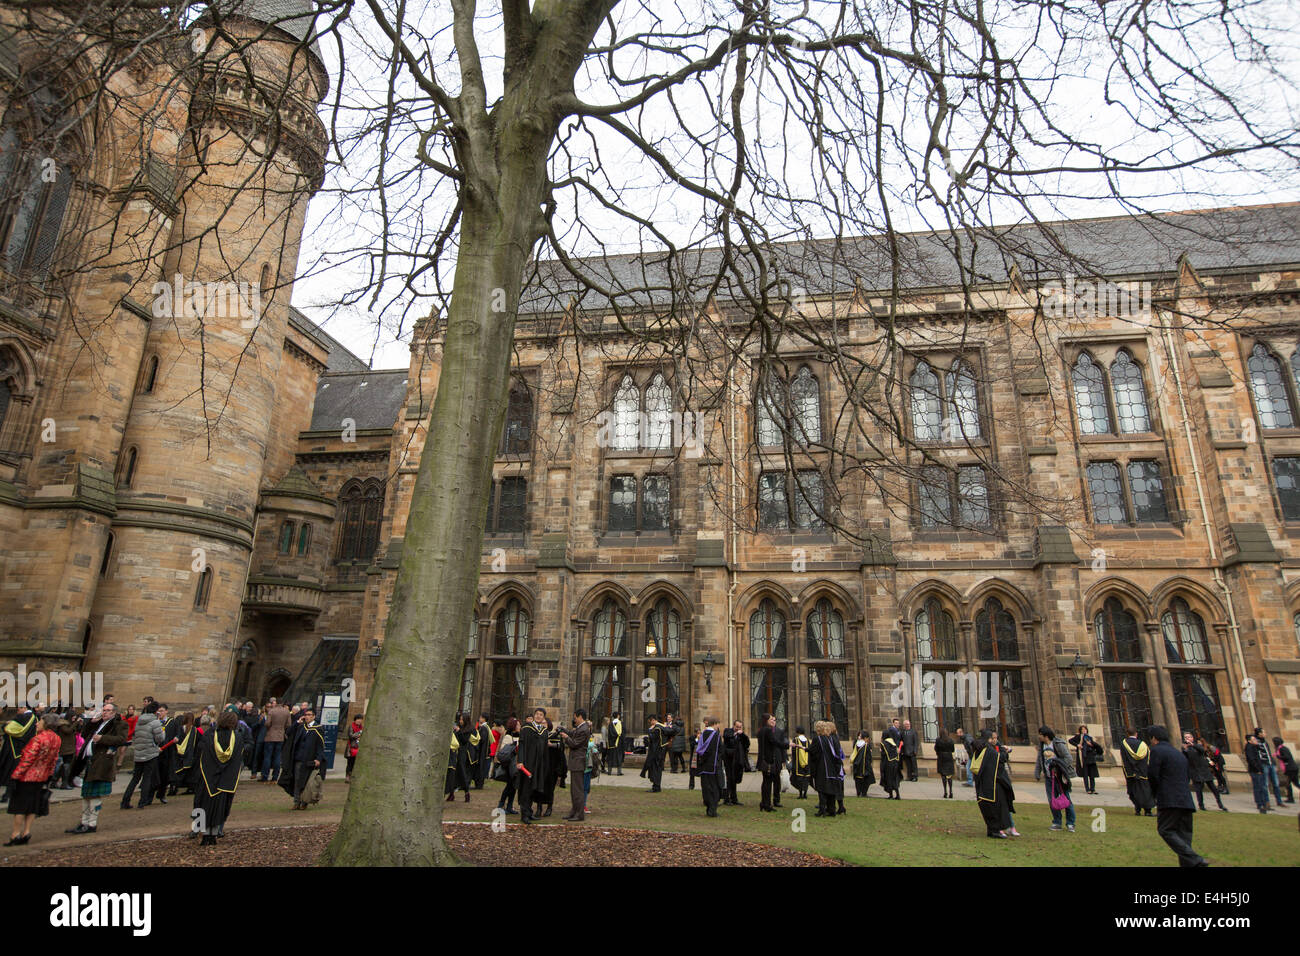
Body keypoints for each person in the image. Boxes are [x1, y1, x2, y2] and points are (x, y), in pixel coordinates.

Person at [1146, 724, 1207, 867]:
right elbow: (1186, 776)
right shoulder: (1178, 753)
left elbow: (1153, 775)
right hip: (1185, 799)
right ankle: (1191, 863)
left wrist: (1155, 795)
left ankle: (1196, 859)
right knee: (1184, 837)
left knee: (1165, 830)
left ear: (1154, 739)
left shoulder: (1156, 751)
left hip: (1169, 800)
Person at [66, 701, 127, 835]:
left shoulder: (119, 724)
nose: (104, 712)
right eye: (103, 710)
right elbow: (83, 734)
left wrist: (102, 738)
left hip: (102, 762)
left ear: (114, 712)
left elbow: (122, 739)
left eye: (108, 710)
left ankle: (91, 824)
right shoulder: (98, 723)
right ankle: (84, 822)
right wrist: (92, 722)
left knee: (94, 795)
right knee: (86, 794)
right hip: (89, 761)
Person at [5, 713, 61, 846]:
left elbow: (27, 760)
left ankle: (15, 834)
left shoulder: (38, 739)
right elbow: (54, 760)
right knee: (32, 806)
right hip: (42, 776)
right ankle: (27, 832)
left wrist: (15, 775)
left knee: (19, 807)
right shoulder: (57, 739)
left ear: (46, 723)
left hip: (27, 777)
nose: (37, 723)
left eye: (39, 721)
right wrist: (49, 775)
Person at [194, 708, 246, 846]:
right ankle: (214, 834)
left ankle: (203, 834)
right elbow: (238, 758)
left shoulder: (210, 735)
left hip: (209, 777)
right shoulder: (238, 738)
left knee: (204, 805)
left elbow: (201, 752)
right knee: (220, 807)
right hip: (226, 780)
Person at [121, 701, 166, 809]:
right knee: (147, 778)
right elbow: (160, 738)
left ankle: (125, 801)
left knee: (135, 778)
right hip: (150, 753)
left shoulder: (139, 720)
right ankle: (142, 802)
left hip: (139, 753)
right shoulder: (155, 722)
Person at [280, 707, 325, 810]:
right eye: (306, 715)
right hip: (298, 759)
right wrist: (297, 722)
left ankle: (304, 802)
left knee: (306, 782)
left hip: (309, 760)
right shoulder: (301, 727)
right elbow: (288, 732)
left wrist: (318, 758)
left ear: (314, 716)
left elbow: (320, 745)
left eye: (309, 715)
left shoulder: (318, 729)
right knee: (297, 781)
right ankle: (296, 801)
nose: (307, 717)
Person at [972, 731, 1015, 838]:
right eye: (991, 738)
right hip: (992, 785)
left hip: (982, 785)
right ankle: (995, 830)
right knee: (995, 808)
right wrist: (1005, 751)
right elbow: (1001, 759)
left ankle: (991, 830)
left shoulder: (979, 749)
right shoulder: (988, 750)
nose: (993, 741)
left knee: (988, 808)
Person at [1034, 726, 1076, 832]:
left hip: (1060, 777)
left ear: (1046, 735)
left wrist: (1058, 767)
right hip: (1049, 777)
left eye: (1040, 734)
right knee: (1052, 800)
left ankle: (1070, 823)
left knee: (1066, 799)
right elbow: (1040, 760)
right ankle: (1057, 822)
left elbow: (1069, 758)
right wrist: (1037, 773)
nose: (1038, 736)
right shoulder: (1042, 745)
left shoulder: (1058, 744)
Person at [0, 703, 38, 802]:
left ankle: (7, 795)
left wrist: (6, 724)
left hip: (13, 749)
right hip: (26, 749)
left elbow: (7, 729)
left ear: (24, 708)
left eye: (19, 709)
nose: (17, 711)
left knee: (10, 772)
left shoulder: (22, 717)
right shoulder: (35, 718)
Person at [558, 709, 592, 821]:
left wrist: (566, 737)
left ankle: (579, 814)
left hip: (578, 761)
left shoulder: (584, 729)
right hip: (575, 762)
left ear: (580, 717)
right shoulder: (581, 728)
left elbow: (574, 744)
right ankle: (574, 811)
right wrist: (564, 730)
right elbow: (573, 733)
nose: (574, 719)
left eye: (575, 717)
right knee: (574, 789)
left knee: (578, 789)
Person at [516, 709, 548, 823]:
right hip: (527, 763)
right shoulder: (526, 729)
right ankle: (524, 814)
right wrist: (520, 761)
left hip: (538, 765)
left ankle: (529, 812)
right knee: (526, 789)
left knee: (533, 789)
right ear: (534, 716)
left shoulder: (544, 731)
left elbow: (545, 750)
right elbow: (522, 745)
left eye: (541, 715)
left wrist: (544, 766)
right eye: (537, 714)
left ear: (543, 717)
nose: (539, 716)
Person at [1182, 732, 1226, 812]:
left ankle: (1220, 804)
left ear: (1192, 738)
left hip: (1204, 770)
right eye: (1186, 737)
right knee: (1198, 790)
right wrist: (1185, 749)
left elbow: (1202, 751)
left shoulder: (1197, 746)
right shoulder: (1186, 749)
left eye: (1189, 737)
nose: (1188, 739)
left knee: (1213, 788)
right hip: (1195, 771)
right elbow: (1184, 758)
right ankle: (1201, 806)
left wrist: (1192, 745)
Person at [811, 721, 847, 817]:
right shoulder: (829, 739)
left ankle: (823, 809)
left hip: (824, 767)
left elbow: (814, 752)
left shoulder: (820, 739)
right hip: (832, 767)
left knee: (822, 788)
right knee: (831, 789)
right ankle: (832, 810)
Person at [1119, 729, 1155, 816]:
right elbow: (1146, 758)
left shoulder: (1124, 744)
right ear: (1136, 734)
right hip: (1142, 772)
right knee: (1144, 791)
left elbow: (1124, 758)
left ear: (1127, 733)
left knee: (1133, 790)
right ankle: (1147, 811)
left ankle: (1137, 810)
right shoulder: (1143, 744)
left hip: (1130, 772)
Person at [695, 717, 723, 816]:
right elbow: (720, 750)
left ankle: (708, 808)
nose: (718, 726)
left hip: (703, 766)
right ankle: (712, 810)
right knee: (714, 788)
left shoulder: (702, 735)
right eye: (718, 724)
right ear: (714, 723)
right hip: (713, 766)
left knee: (706, 787)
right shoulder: (716, 735)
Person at [756, 713, 785, 811]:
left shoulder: (761, 731)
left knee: (765, 782)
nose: (773, 721)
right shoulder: (768, 730)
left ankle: (764, 803)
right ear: (766, 721)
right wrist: (788, 744)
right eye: (771, 719)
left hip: (763, 759)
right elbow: (775, 742)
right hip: (768, 760)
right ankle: (766, 804)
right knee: (768, 783)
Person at [1252, 726, 1286, 807]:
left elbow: (1268, 753)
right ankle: (1266, 801)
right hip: (1264, 765)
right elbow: (1257, 755)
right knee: (1265, 784)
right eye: (1263, 732)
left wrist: (1273, 763)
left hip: (1271, 764)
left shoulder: (1265, 742)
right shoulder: (1257, 743)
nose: (1265, 734)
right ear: (1259, 734)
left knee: (1276, 783)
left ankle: (1279, 801)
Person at [260, 698, 291, 782]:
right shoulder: (286, 712)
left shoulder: (272, 711)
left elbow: (267, 723)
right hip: (280, 736)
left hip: (270, 735)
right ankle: (275, 776)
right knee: (277, 756)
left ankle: (265, 776)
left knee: (267, 756)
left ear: (276, 703)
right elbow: (288, 724)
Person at [170, 713, 201, 794]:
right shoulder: (195, 730)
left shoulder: (181, 729)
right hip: (190, 754)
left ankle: (174, 788)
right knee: (190, 772)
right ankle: (190, 788)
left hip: (179, 753)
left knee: (178, 772)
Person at [1068, 725, 1102, 795]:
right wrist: (1078, 745)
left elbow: (1095, 746)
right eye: (1082, 730)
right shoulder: (1078, 737)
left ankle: (1093, 789)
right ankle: (1087, 789)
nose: (1084, 731)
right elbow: (1070, 740)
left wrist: (1091, 745)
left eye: (1085, 729)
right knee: (1085, 774)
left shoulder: (1089, 738)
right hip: (1083, 758)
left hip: (1091, 757)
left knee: (1092, 775)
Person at [495, 717, 520, 814]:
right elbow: (504, 751)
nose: (519, 726)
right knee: (509, 786)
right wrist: (514, 748)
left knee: (513, 786)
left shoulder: (520, 735)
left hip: (515, 764)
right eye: (517, 725)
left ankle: (509, 806)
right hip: (509, 765)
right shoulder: (508, 736)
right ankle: (501, 805)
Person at [644, 715, 675, 793]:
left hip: (657, 751)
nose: (650, 724)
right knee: (657, 769)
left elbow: (653, 739)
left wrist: (649, 731)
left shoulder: (657, 728)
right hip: (661, 750)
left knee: (656, 768)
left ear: (653, 720)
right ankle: (656, 786)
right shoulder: (663, 727)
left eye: (650, 722)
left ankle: (656, 787)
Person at [722, 720, 749, 805]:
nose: (738, 729)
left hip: (737, 759)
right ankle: (726, 799)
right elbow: (726, 736)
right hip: (729, 759)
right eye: (737, 727)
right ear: (734, 726)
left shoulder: (741, 735)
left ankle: (734, 798)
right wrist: (735, 734)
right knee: (729, 778)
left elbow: (747, 743)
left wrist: (743, 735)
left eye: (740, 727)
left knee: (735, 778)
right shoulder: (728, 731)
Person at [1244, 733, 1271, 813]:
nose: (1256, 741)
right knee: (1258, 787)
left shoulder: (1254, 747)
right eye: (1254, 740)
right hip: (1255, 771)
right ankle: (1260, 804)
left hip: (1258, 769)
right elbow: (1251, 760)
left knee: (1261, 787)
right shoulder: (1249, 748)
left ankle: (1263, 803)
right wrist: (1258, 769)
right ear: (1249, 741)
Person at [1273, 737, 1297, 803]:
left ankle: (1290, 798)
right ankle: (1290, 798)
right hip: (1292, 768)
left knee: (1288, 784)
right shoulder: (1282, 748)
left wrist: (1278, 756)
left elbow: (1287, 757)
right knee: (1295, 783)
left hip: (1290, 768)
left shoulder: (1282, 749)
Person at [789, 727, 812, 799]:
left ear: (797, 732)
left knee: (799, 778)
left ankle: (800, 793)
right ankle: (805, 793)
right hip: (807, 762)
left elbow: (793, 751)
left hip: (798, 762)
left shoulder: (795, 740)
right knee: (806, 778)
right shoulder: (808, 741)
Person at [851, 731, 875, 797]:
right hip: (864, 765)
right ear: (865, 738)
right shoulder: (866, 746)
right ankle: (864, 793)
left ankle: (858, 792)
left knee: (858, 780)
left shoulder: (856, 744)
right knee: (866, 780)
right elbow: (869, 757)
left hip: (856, 765)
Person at [879, 730, 902, 799]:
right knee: (894, 779)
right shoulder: (893, 743)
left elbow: (885, 754)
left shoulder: (883, 743)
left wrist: (881, 751)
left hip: (888, 764)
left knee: (888, 779)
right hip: (895, 763)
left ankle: (891, 795)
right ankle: (897, 795)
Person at [473, 713, 493, 789]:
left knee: (480, 767)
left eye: (481, 718)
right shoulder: (485, 727)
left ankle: (479, 783)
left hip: (482, 751)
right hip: (482, 750)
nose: (479, 719)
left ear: (484, 719)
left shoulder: (484, 728)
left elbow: (482, 740)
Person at [934, 729, 956, 798]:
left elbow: (936, 748)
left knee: (943, 775)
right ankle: (951, 791)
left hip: (941, 757)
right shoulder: (950, 740)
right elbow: (953, 749)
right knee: (949, 776)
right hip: (949, 757)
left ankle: (945, 791)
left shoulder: (938, 740)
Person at [346, 713, 363, 783]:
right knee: (350, 763)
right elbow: (350, 735)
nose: (359, 721)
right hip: (351, 748)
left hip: (358, 747)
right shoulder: (351, 727)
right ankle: (347, 776)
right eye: (358, 719)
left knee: (355, 763)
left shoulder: (361, 727)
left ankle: (352, 776)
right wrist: (359, 733)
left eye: (360, 719)